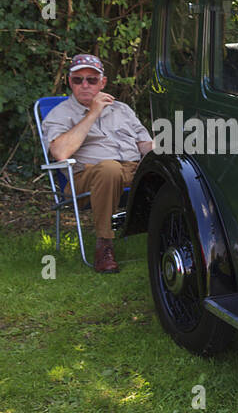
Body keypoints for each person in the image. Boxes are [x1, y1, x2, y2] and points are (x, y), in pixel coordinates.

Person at [42, 54, 154, 273]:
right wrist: (93, 113)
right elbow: (61, 152)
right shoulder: (60, 114)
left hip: (132, 170)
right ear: (69, 82)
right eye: (78, 79)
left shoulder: (122, 109)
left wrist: (166, 152)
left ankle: (178, 238)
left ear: (102, 83)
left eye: (91, 80)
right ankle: (104, 245)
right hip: (86, 177)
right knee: (109, 168)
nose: (84, 85)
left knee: (175, 166)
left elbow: (145, 144)